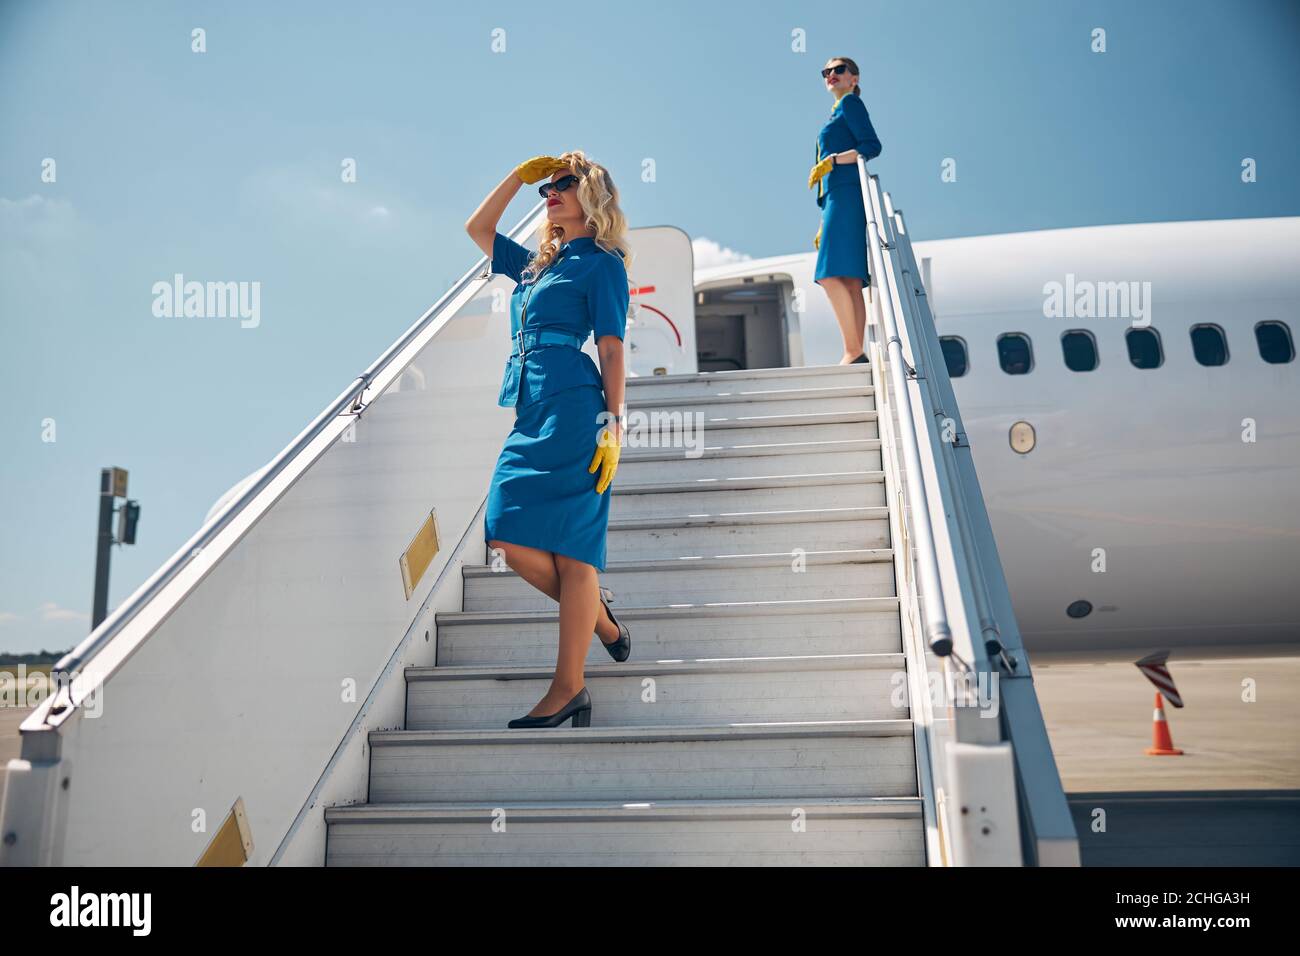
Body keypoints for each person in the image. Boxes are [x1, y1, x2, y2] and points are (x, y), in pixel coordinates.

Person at [465, 150, 634, 729]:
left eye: (564, 184)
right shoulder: (537, 264)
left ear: (593, 196)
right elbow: (478, 228)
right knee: (505, 533)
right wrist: (519, 175)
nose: (551, 194)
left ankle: (569, 687)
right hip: (529, 410)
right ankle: (604, 624)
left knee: (572, 552)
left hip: (574, 407)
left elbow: (611, 348)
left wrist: (613, 423)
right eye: (548, 188)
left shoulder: (602, 264)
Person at [809, 56, 883, 364]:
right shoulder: (836, 112)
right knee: (851, 280)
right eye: (826, 71)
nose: (831, 75)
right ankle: (855, 350)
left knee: (828, 275)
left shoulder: (851, 105)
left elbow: (872, 145)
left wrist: (834, 160)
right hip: (835, 199)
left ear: (854, 78)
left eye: (839, 69)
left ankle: (852, 350)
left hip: (846, 194)